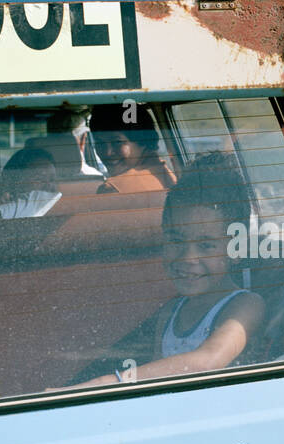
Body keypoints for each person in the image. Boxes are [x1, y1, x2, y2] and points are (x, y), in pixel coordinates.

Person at [70, 152, 263, 388]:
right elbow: (156, 376)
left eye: (205, 245)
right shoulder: (171, 311)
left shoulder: (245, 305)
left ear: (236, 249)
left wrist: (111, 381)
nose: (188, 258)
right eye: (176, 241)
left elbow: (207, 361)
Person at [88, 104, 177, 194]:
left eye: (117, 142)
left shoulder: (112, 189)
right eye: (100, 143)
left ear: (142, 140)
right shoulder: (165, 173)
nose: (107, 153)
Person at [0, 147, 61, 218]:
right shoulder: (6, 211)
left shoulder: (65, 209)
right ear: (16, 183)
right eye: (39, 179)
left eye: (52, 179)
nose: (49, 186)